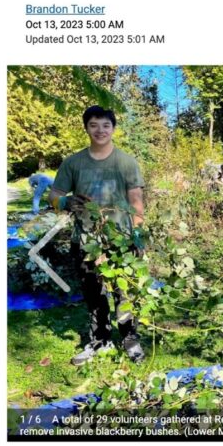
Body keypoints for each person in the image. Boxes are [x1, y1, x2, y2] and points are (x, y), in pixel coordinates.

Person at [49, 106, 146, 364]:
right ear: (86, 128)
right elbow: (54, 195)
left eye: (105, 125)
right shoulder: (73, 163)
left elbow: (136, 201)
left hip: (121, 239)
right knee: (94, 293)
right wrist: (66, 202)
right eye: (94, 125)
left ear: (113, 128)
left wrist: (137, 235)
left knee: (124, 292)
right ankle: (99, 341)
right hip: (86, 240)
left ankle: (130, 340)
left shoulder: (126, 162)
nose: (100, 130)